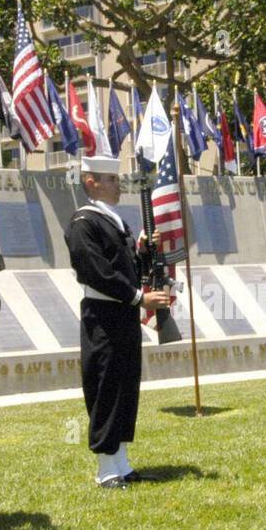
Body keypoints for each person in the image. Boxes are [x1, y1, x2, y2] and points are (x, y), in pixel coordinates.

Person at [64, 154, 171, 487]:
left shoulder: (114, 221)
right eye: (110, 179)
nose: (117, 184)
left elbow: (124, 267)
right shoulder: (85, 222)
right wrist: (139, 298)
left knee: (126, 386)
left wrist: (143, 252)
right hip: (104, 314)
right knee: (107, 387)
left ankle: (122, 463)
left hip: (122, 313)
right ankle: (106, 468)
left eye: (116, 179)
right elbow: (96, 271)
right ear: (90, 181)